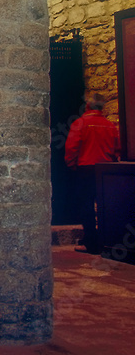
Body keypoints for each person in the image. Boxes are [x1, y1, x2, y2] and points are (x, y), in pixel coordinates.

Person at [65, 93, 121, 253]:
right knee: (105, 206)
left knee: (86, 206)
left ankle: (90, 242)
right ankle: (106, 240)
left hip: (85, 168)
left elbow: (71, 148)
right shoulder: (109, 125)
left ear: (88, 106)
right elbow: (117, 149)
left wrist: (71, 165)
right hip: (106, 169)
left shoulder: (80, 123)